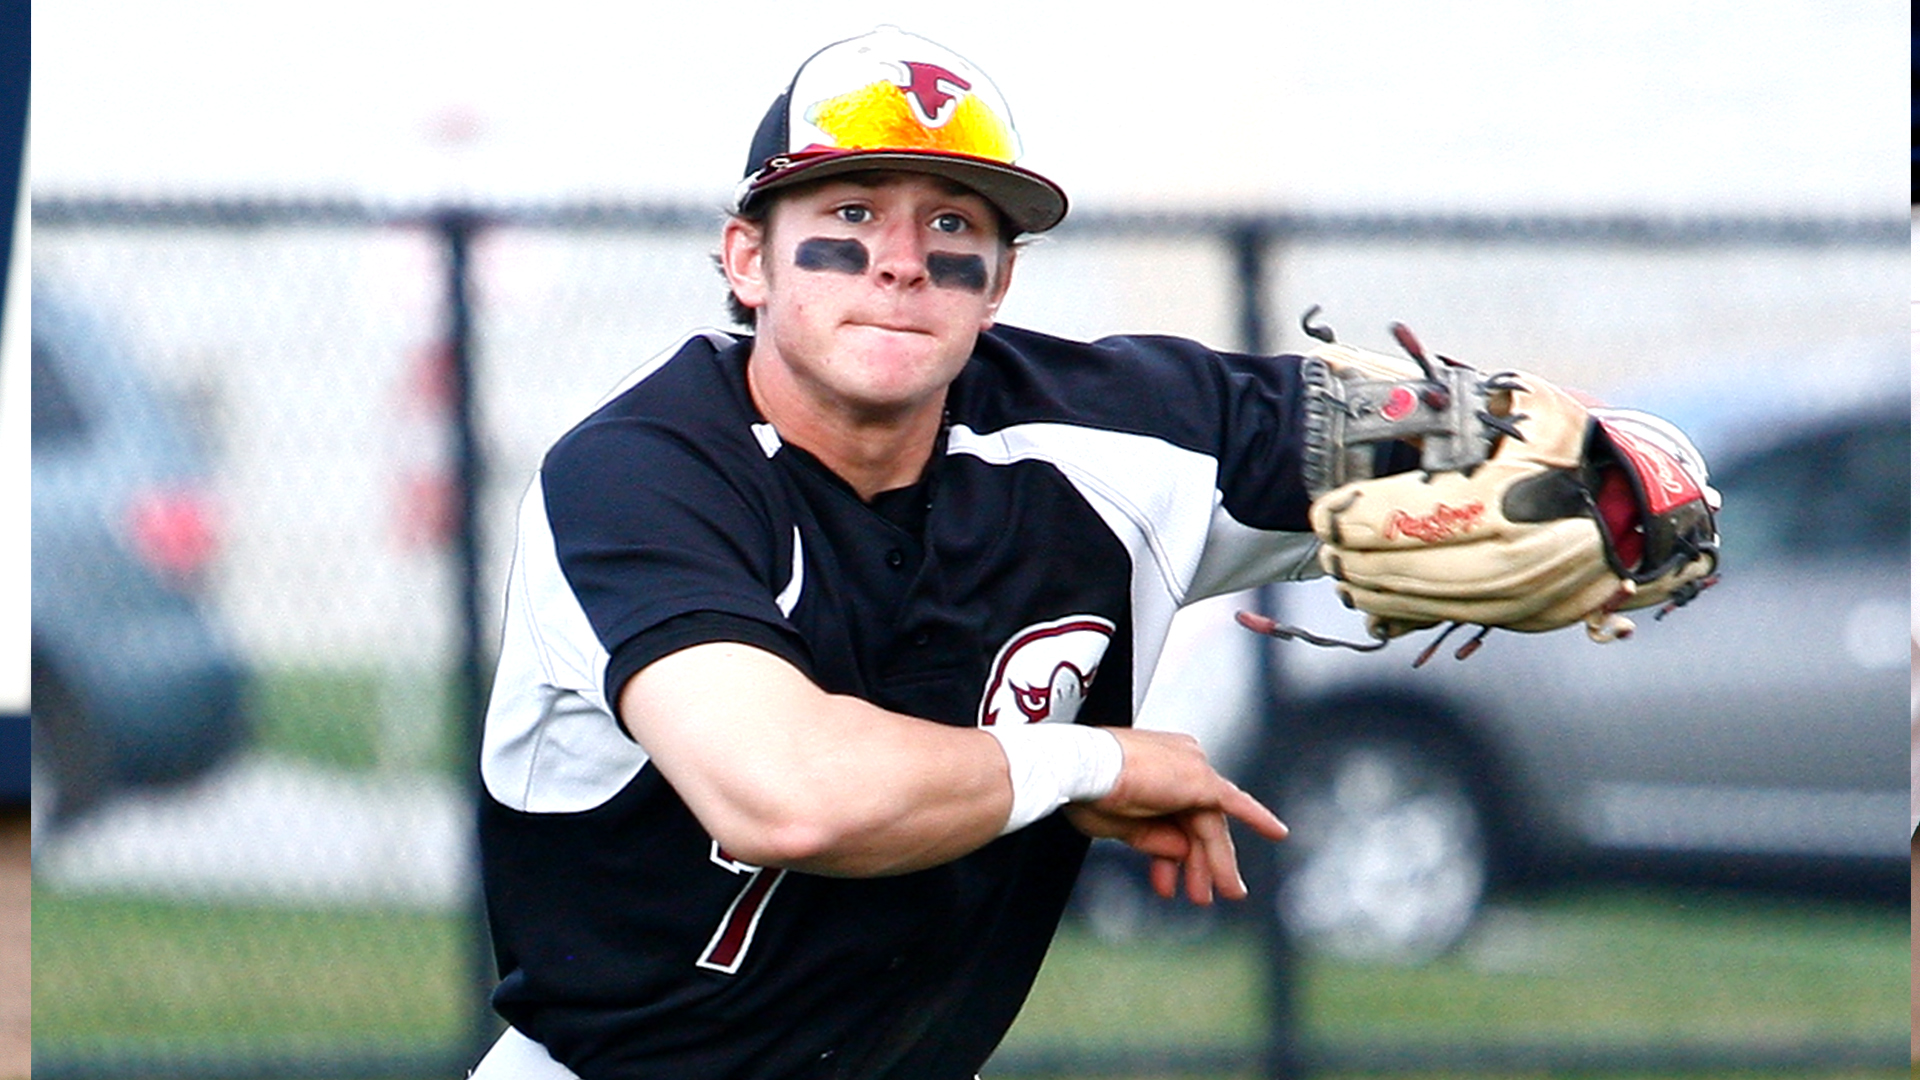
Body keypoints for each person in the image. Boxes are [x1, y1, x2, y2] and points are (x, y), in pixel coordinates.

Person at [472, 25, 1714, 1080]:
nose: (904, 260)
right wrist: (1093, 761)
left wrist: (1601, 462)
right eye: (850, 212)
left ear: (999, 277)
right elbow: (789, 792)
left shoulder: (1111, 433)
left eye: (953, 222)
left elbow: (1382, 425)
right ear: (747, 259)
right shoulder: (639, 477)